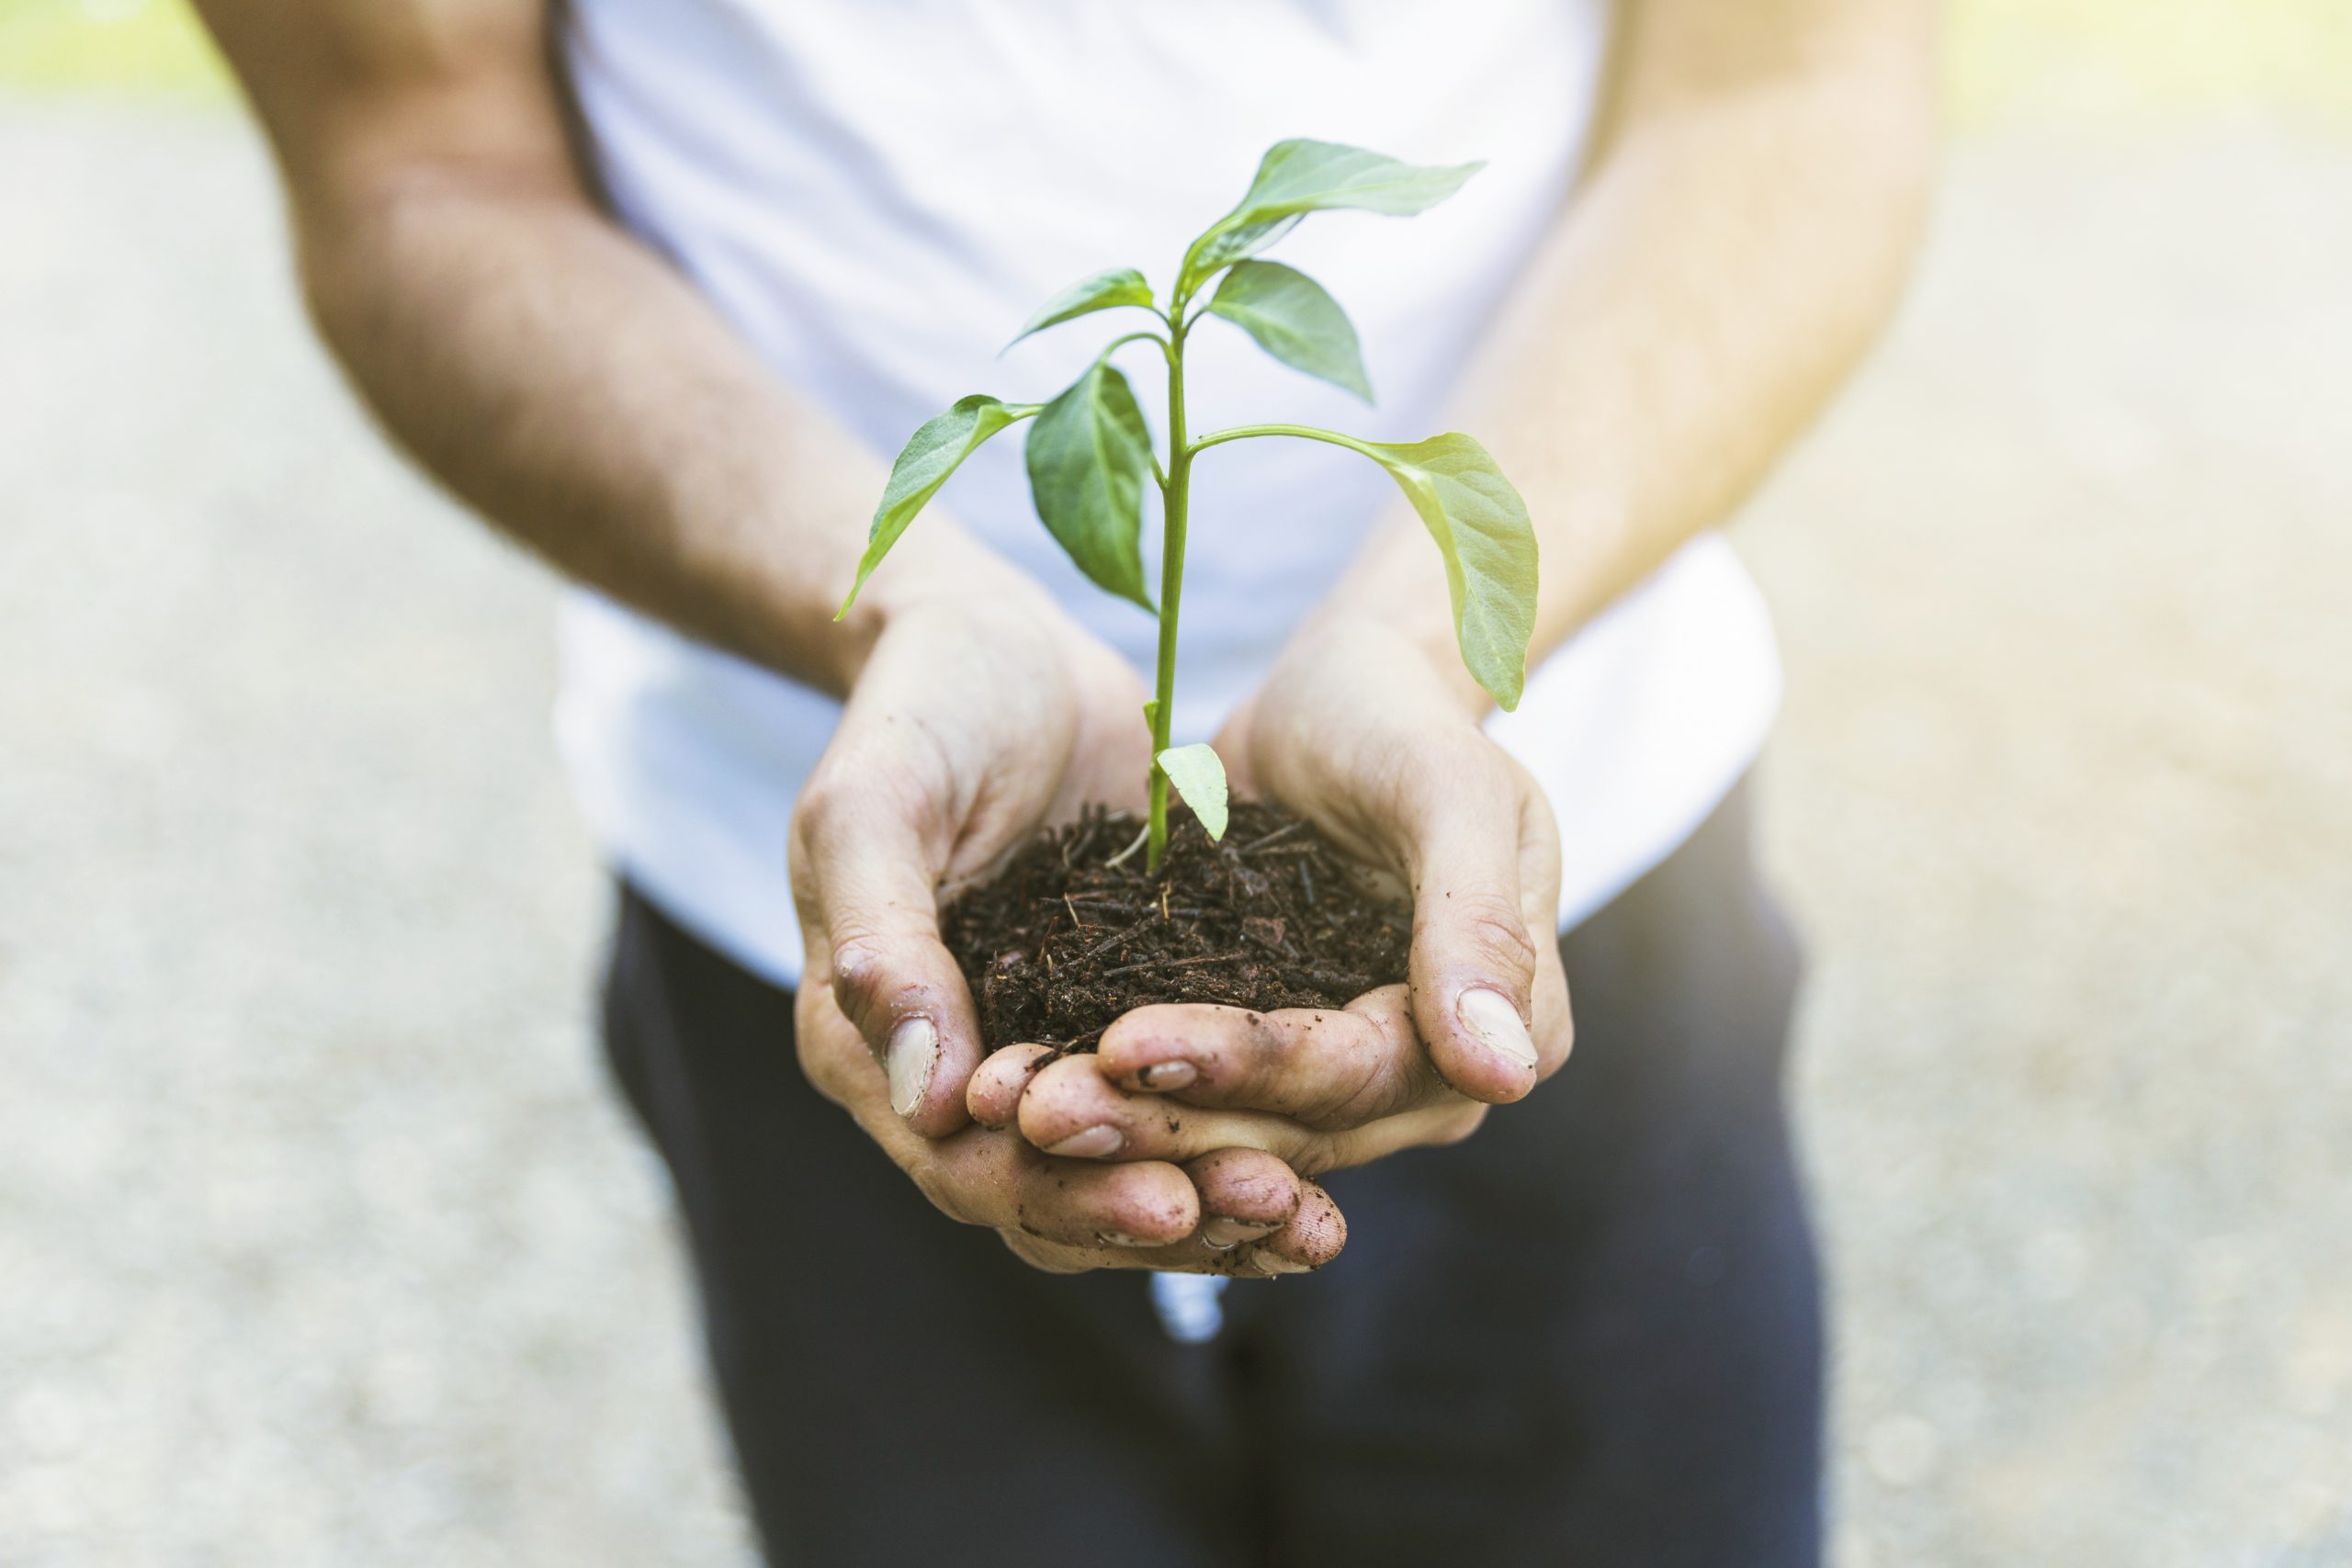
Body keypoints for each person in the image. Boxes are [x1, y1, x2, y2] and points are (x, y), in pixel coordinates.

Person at [192, 0, 1933, 1561]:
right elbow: (418, 158)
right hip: (861, 917)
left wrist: (1420, 642)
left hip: (1565, 851)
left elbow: (1795, 75)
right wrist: (902, 606)